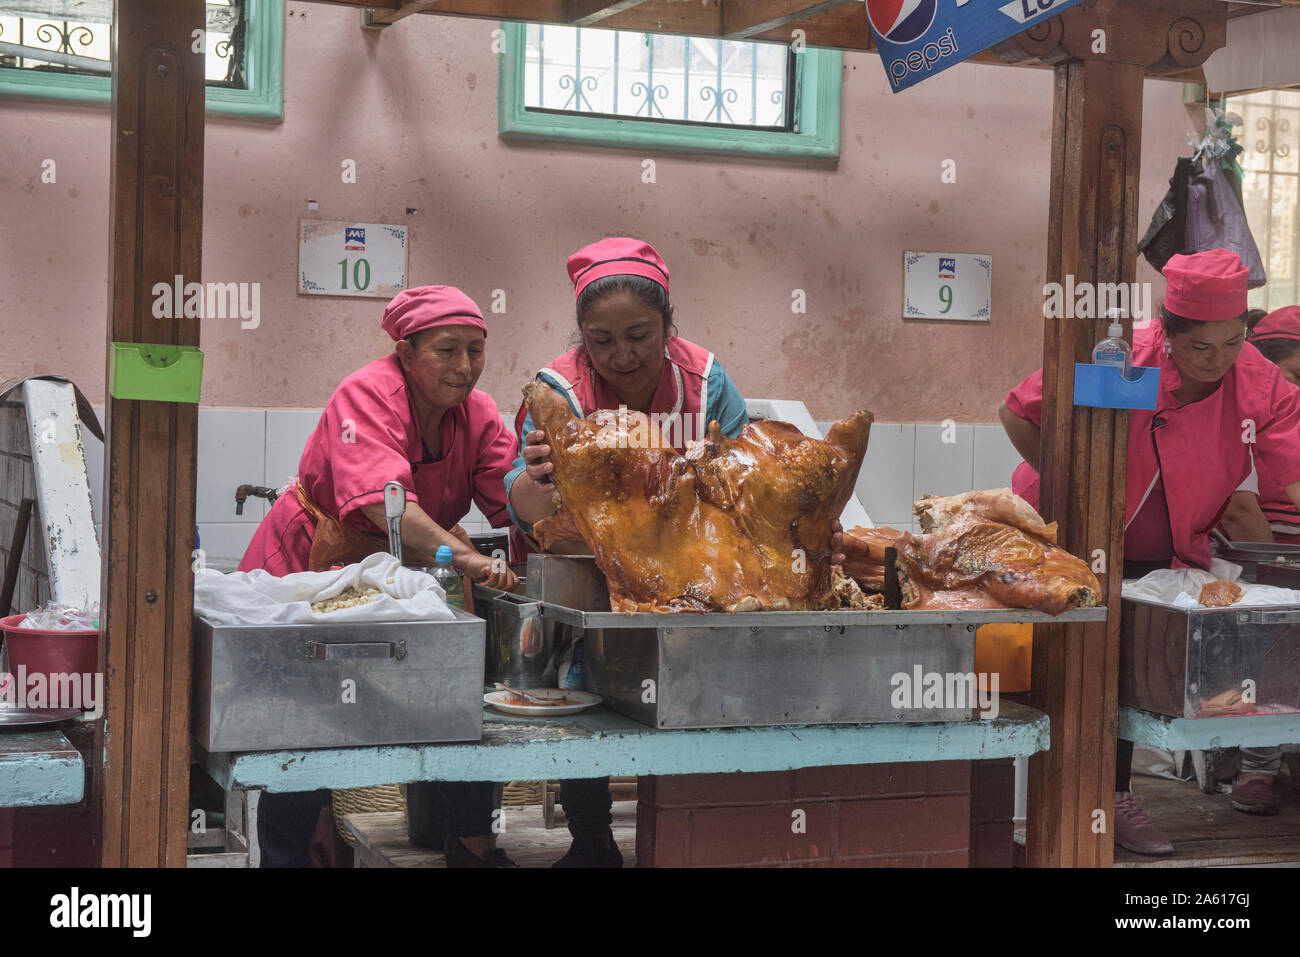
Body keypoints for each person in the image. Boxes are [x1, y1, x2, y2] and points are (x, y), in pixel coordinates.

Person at [999, 251, 1300, 855]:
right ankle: (1075, 805)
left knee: (1137, 671)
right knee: (1084, 670)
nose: (1218, 363)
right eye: (1200, 348)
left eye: (1233, 343)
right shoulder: (1124, 361)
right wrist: (1074, 494)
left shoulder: (1260, 383)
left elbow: (1291, 476)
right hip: (1081, 540)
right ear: (1167, 331)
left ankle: (1115, 796)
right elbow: (1017, 412)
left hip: (1168, 552)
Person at [238, 285, 520, 867]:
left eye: (476, 349)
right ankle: (292, 852)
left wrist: (542, 485)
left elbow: (512, 505)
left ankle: (472, 844)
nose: (465, 367)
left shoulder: (481, 414)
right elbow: (379, 504)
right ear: (405, 352)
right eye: (447, 349)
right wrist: (466, 558)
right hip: (318, 571)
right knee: (307, 718)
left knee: (452, 699)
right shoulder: (366, 394)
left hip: (411, 573)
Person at [506, 237, 750, 867]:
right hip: (581, 577)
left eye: (640, 335)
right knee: (579, 701)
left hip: (686, 575)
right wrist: (537, 479)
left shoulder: (705, 381)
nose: (622, 355)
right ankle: (591, 840)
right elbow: (521, 506)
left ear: (669, 324)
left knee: (688, 697)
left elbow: (744, 475)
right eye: (601, 339)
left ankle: (692, 833)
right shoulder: (557, 388)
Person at [1216, 305, 1300, 815]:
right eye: (1294, 376)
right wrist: (1281, 570)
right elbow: (1239, 510)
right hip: (1255, 560)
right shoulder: (1247, 419)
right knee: (1273, 653)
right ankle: (1258, 766)